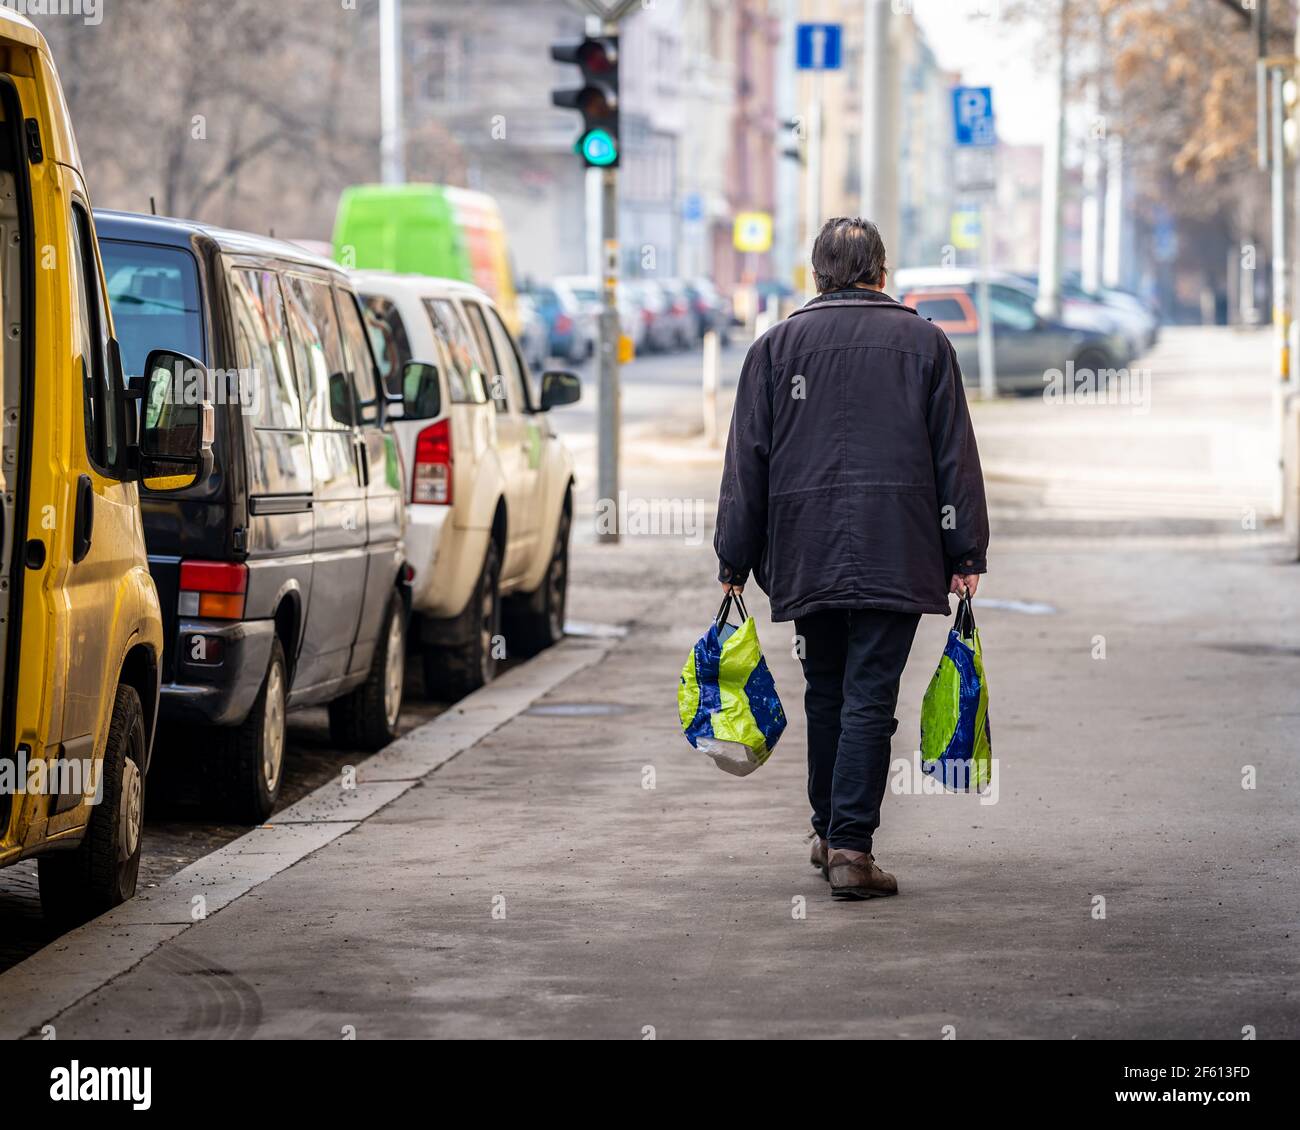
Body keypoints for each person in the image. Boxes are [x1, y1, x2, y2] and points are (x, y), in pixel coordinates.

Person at [714, 217, 989, 900]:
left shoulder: (775, 348)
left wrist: (734, 558)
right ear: (881, 274)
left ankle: (827, 831)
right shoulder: (925, 344)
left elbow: (747, 462)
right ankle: (851, 850)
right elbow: (954, 454)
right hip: (899, 546)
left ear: (817, 274)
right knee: (869, 694)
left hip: (806, 551)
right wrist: (966, 548)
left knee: (828, 689)